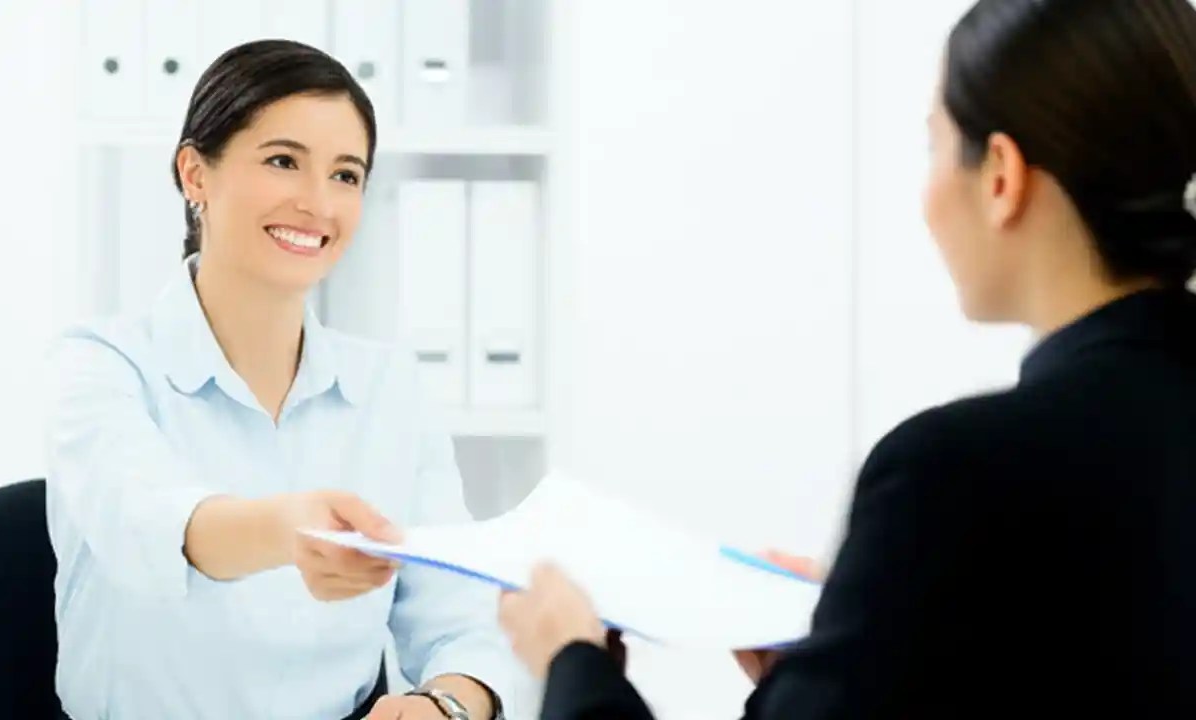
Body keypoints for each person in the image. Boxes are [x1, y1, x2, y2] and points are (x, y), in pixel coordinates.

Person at [497, 1, 1196, 717]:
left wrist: (571, 660)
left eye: (934, 146)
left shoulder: (951, 476)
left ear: (1000, 176)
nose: (927, 196)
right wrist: (844, 658)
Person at [44, 40, 512, 720]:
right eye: (283, 161)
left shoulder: (390, 389)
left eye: (346, 175)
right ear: (194, 174)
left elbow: (463, 621)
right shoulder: (100, 364)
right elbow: (144, 521)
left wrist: (447, 705)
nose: (318, 203)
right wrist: (291, 531)